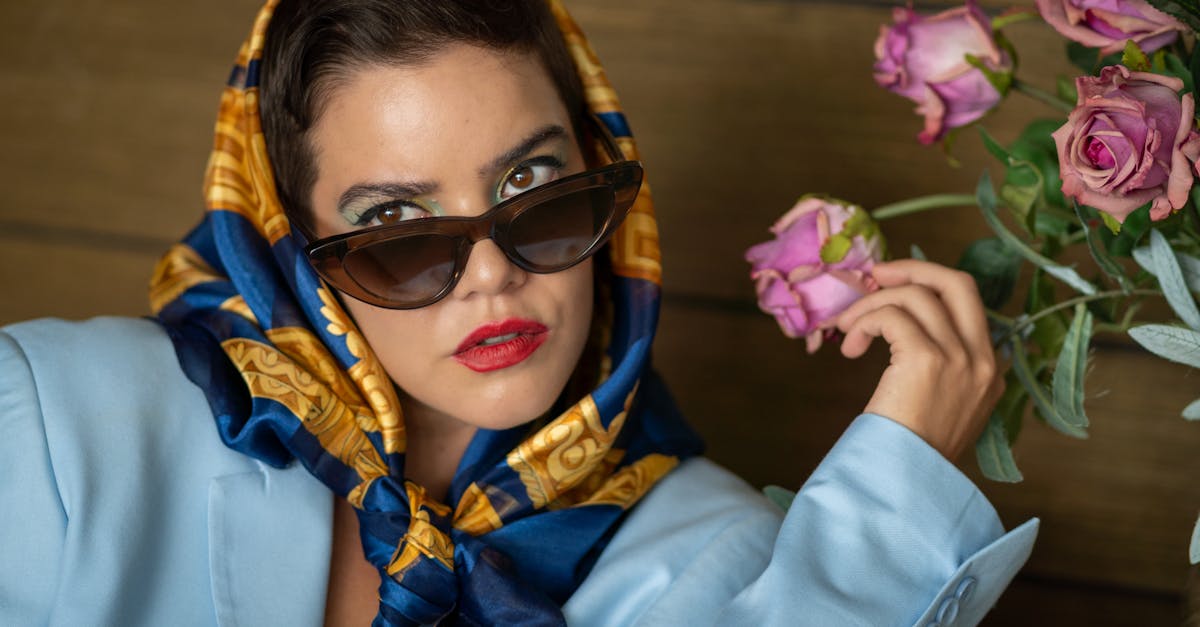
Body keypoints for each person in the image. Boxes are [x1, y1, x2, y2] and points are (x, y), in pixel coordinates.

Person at [0, 0, 1038, 625]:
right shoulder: (52, 430)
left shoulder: (714, 550)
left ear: (600, 170)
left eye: (533, 184)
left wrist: (899, 483)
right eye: (398, 222)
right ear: (290, 250)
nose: (490, 273)